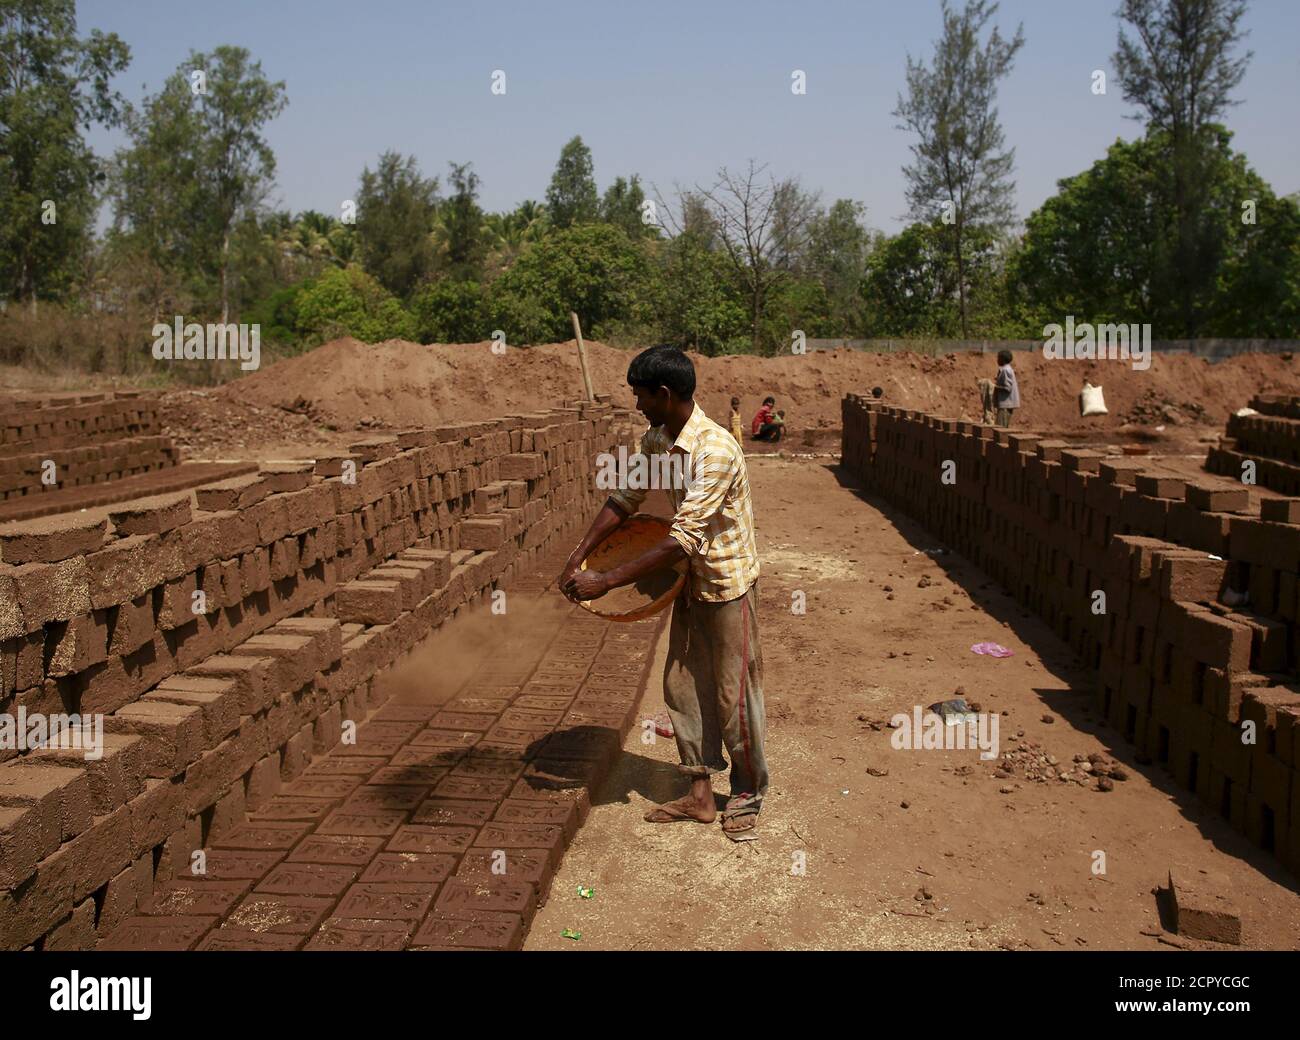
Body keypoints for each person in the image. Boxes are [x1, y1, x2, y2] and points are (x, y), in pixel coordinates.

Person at [559, 346, 768, 841]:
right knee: (681, 683)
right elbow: (626, 497)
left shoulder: (714, 450)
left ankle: (746, 791)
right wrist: (578, 556)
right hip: (686, 581)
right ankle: (698, 793)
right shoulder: (657, 440)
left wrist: (607, 581)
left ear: (665, 394)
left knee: (732, 692)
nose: (637, 405)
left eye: (641, 396)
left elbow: (685, 536)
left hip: (724, 582)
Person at [994, 350, 1020, 428]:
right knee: (1002, 429)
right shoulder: (1006, 369)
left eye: (998, 358)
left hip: (1005, 405)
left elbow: (1007, 388)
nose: (997, 360)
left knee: (1000, 429)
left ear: (1003, 359)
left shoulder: (1005, 370)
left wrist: (994, 387)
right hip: (1005, 405)